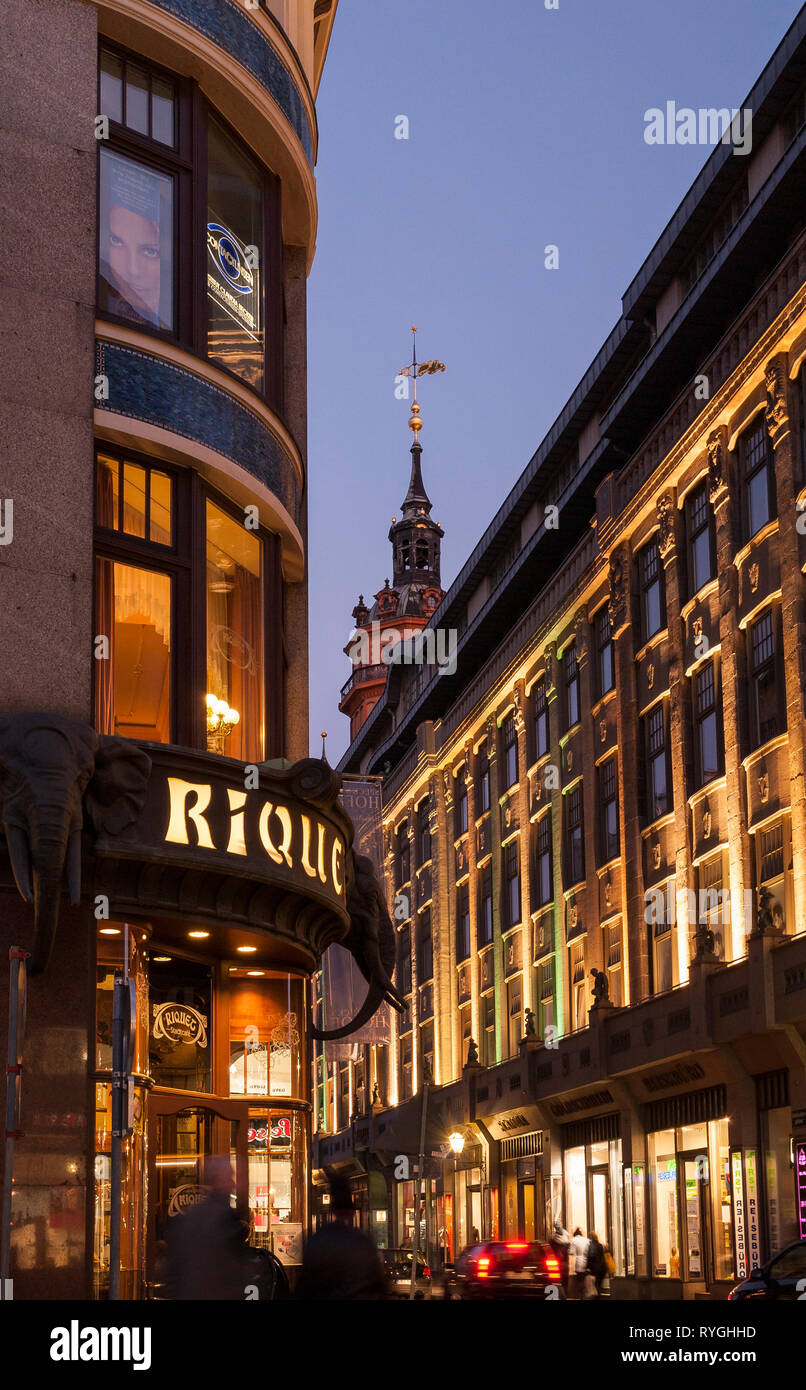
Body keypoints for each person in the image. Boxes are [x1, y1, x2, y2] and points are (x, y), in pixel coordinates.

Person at [164, 1155, 251, 1300]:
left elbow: (176, 1269)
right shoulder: (222, 1219)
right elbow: (226, 1271)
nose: (233, 1184)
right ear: (217, 1181)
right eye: (228, 1177)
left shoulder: (193, 1216)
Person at [296, 1176, 387, 1300]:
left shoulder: (318, 1240)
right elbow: (377, 1283)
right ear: (351, 1212)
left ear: (333, 1209)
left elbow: (306, 1285)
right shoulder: (362, 1242)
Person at [549, 1221, 571, 1290]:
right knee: (564, 1279)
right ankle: (564, 1291)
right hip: (564, 1261)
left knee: (559, 1278)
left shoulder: (553, 1238)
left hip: (559, 1260)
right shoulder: (566, 1235)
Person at [585, 1231, 606, 1299]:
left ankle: (597, 1297)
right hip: (602, 1268)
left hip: (595, 1269)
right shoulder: (600, 1245)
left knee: (595, 1287)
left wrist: (587, 1267)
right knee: (598, 1286)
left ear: (590, 1237)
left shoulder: (591, 1246)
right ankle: (598, 1297)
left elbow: (590, 1258)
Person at [570, 1226, 589, 1299]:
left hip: (578, 1263)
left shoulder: (574, 1240)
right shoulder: (587, 1240)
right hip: (586, 1263)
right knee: (584, 1279)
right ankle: (584, 1294)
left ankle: (581, 1295)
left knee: (579, 1280)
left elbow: (571, 1252)